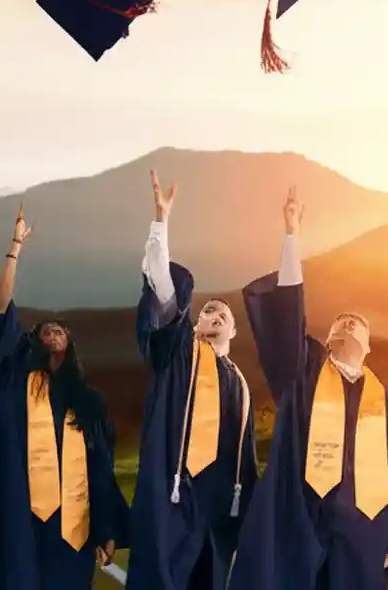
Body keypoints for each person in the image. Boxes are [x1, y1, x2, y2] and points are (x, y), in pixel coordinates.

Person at [228, 187, 388, 589]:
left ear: (368, 347)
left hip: (363, 529)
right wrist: (291, 234)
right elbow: (287, 318)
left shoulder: (387, 404)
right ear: (327, 338)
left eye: (358, 323)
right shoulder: (306, 373)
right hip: (302, 517)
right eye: (340, 321)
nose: (349, 323)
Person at [0, 204, 128, 590]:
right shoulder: (14, 381)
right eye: (46, 330)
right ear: (34, 340)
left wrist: (106, 528)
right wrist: (15, 248)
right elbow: (2, 309)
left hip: (72, 530)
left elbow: (100, 468)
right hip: (22, 518)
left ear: (71, 344)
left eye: (61, 331)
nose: (54, 334)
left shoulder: (88, 402)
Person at [127, 171, 258, 590]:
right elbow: (166, 295)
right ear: (194, 324)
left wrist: (244, 523)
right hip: (173, 497)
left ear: (233, 332)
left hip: (216, 512)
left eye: (224, 314)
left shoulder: (240, 384)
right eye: (208, 311)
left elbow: (247, 461)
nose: (215, 315)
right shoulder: (180, 353)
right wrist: (160, 225)